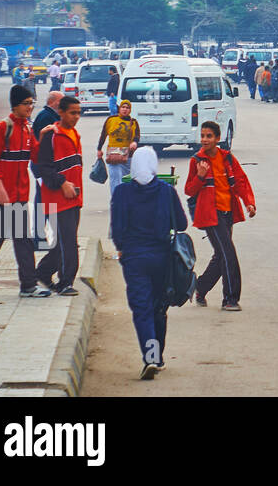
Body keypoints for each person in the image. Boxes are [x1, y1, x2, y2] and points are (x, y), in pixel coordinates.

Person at [111, 147, 188, 378]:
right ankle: (158, 356)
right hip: (162, 258)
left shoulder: (122, 192)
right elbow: (182, 224)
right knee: (158, 307)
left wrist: (122, 248)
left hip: (134, 259)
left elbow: (117, 229)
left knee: (142, 309)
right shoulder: (166, 191)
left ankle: (151, 357)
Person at [0, 86, 52, 298]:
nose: (30, 107)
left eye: (32, 103)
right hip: (1, 196)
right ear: (15, 105)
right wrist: (0, 191)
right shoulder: (2, 128)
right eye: (26, 103)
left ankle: (28, 285)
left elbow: (35, 155)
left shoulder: (26, 129)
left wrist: (41, 135)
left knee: (23, 238)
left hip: (19, 195)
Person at [185, 121, 256, 311]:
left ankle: (200, 288)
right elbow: (189, 190)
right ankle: (230, 300)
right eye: (202, 136)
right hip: (210, 215)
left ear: (218, 138)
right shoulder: (197, 161)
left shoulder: (227, 158)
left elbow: (240, 181)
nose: (204, 139)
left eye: (209, 136)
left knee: (221, 255)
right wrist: (200, 176)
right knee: (228, 254)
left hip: (227, 213)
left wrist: (248, 202)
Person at [32, 95, 85, 295]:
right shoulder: (52, 137)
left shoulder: (74, 134)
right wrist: (62, 183)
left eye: (79, 113)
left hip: (74, 197)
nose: (76, 117)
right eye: (72, 113)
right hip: (58, 199)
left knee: (67, 241)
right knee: (68, 242)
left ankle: (43, 273)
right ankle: (65, 282)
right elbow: (43, 168)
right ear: (60, 112)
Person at [98, 99, 141, 194]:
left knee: (126, 180)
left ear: (130, 110)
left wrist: (134, 142)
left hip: (128, 155)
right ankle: (116, 201)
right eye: (123, 107)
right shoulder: (111, 120)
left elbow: (137, 136)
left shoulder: (133, 122)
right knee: (115, 179)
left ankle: (125, 200)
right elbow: (103, 135)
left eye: (127, 108)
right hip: (113, 154)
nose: (125, 109)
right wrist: (99, 149)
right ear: (119, 108)